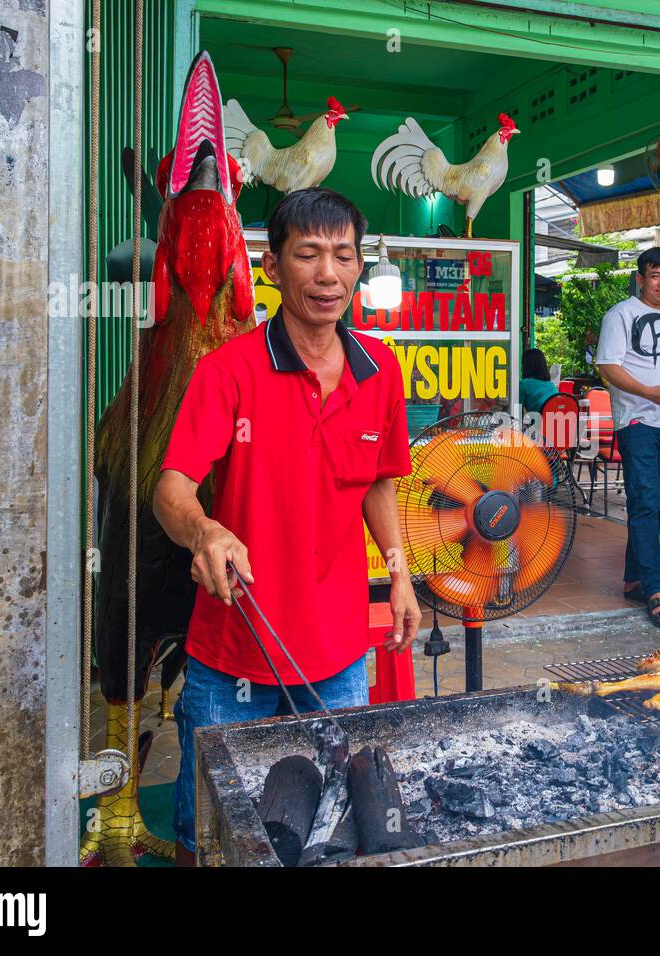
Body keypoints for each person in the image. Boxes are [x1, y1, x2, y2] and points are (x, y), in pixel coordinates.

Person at [153, 188, 421, 865]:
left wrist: (401, 578)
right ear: (272, 266)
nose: (327, 274)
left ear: (359, 267)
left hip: (336, 654)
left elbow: (380, 484)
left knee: (330, 821)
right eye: (307, 255)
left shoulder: (381, 370)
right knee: (210, 830)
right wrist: (203, 532)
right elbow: (171, 489)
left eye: (343, 256)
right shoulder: (227, 371)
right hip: (231, 651)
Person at [595, 247, 660, 631]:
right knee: (645, 501)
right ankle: (654, 590)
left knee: (659, 505)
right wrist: (649, 394)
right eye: (655, 276)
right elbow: (607, 366)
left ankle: (635, 579)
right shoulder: (620, 315)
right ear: (641, 279)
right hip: (637, 422)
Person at [519, 347, 559, 414]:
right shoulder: (551, 385)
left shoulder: (524, 385)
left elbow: (516, 410)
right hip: (557, 422)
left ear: (526, 366)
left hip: (538, 423)